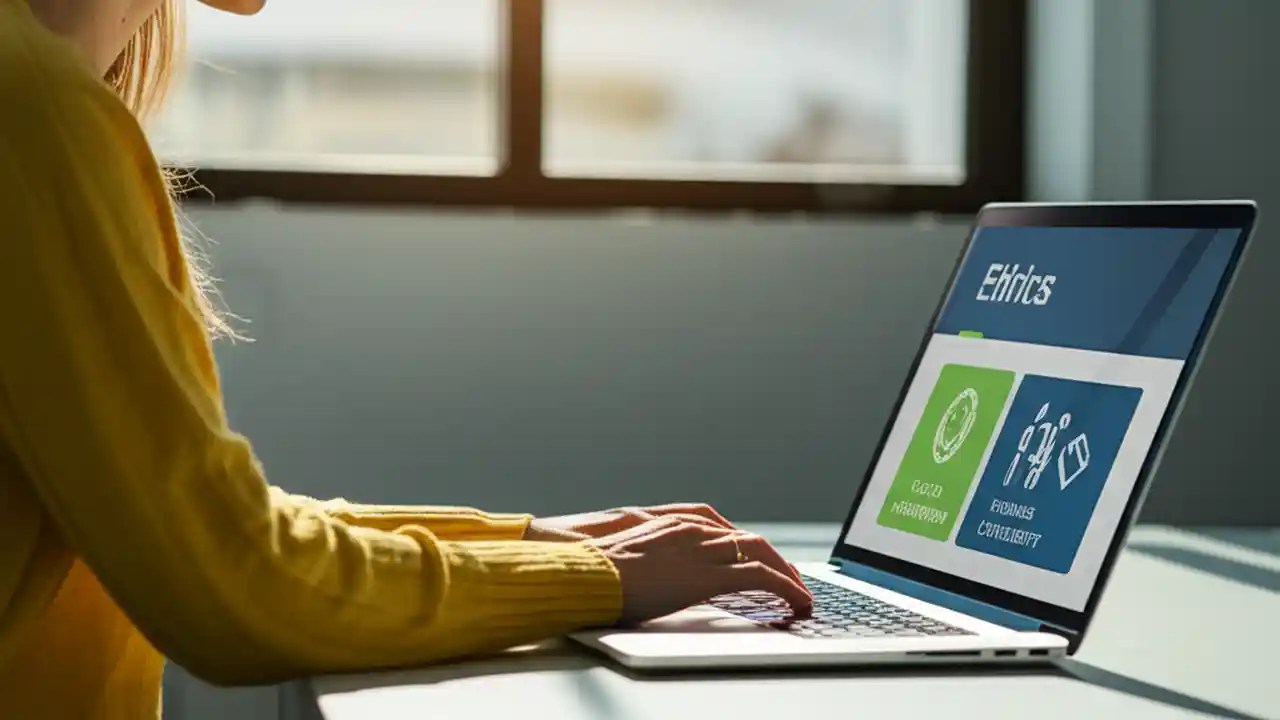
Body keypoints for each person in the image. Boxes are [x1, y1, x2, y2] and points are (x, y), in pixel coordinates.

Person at [0, 0, 814, 717]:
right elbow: (229, 582)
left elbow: (206, 525)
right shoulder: (32, 107)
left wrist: (536, 546)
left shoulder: (38, 92)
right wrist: (599, 580)